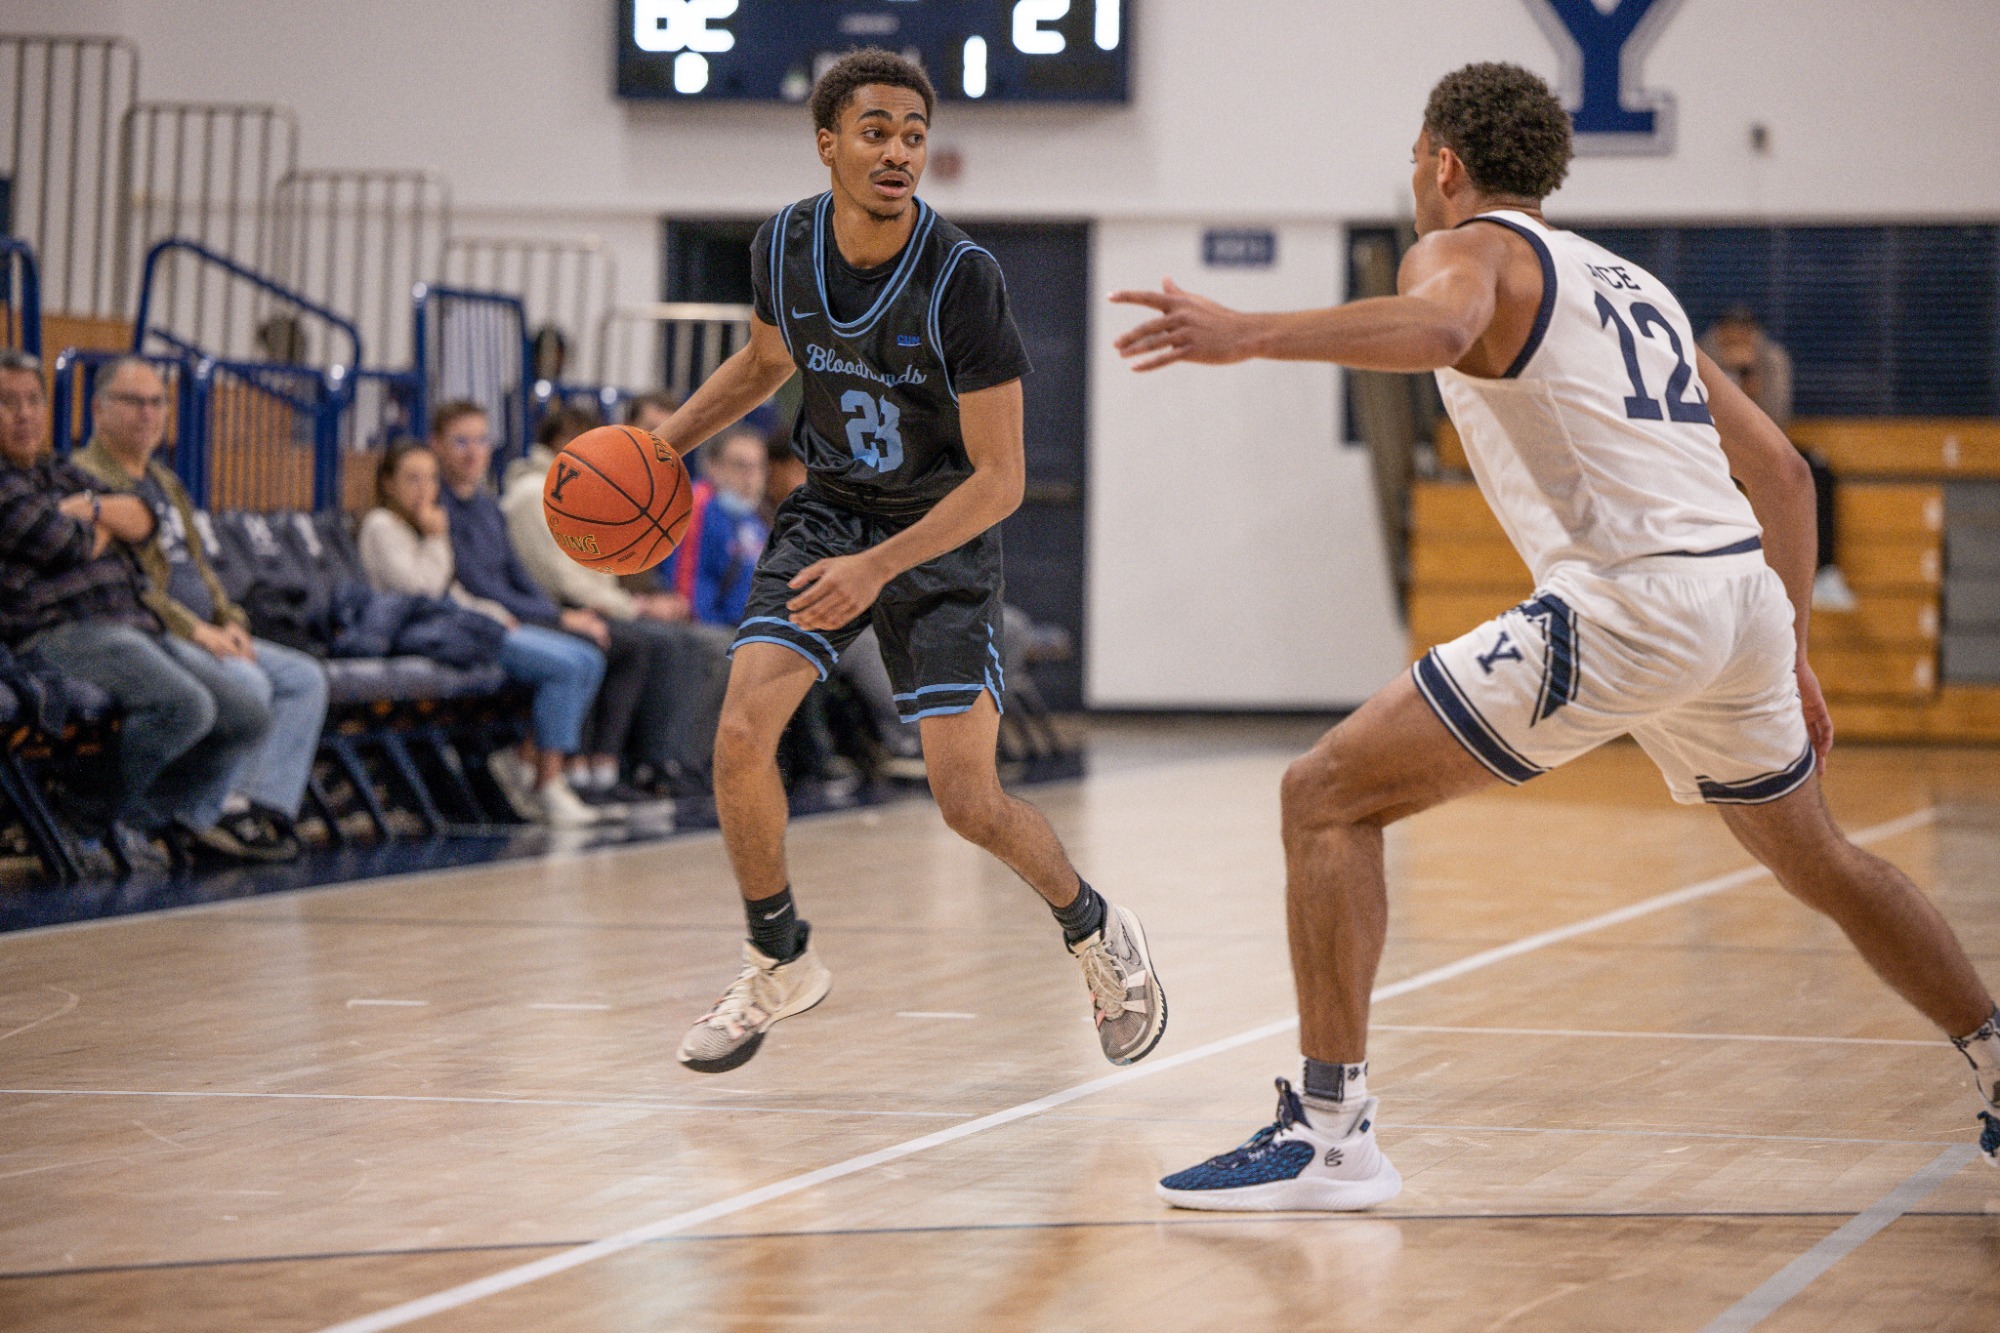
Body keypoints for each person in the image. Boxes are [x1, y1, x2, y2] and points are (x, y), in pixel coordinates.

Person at [1112, 61, 2000, 1208]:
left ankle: (1330, 1135)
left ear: (1442, 162)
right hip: (1733, 598)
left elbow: (1439, 325)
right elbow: (1779, 475)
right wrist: (1784, 650)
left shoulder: (1459, 248)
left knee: (1322, 795)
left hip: (1636, 599)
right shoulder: (1633, 284)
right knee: (1822, 859)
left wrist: (1248, 333)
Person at [653, 48, 1166, 1074]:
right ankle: (777, 958)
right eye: (876, 131)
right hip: (830, 513)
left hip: (938, 535)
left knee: (965, 801)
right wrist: (660, 446)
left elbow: (1002, 479)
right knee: (741, 730)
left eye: (913, 135)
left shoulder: (962, 280)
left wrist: (880, 568)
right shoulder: (784, 244)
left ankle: (1095, 930)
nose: (897, 152)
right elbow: (765, 362)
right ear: (827, 144)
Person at [0, 350, 268, 868]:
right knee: (186, 706)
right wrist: (102, 525)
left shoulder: (55, 468)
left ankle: (136, 820)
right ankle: (78, 817)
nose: (24, 414)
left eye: (33, 400)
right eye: (8, 403)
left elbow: (143, 518)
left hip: (134, 623)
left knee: (247, 714)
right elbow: (63, 543)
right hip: (59, 632)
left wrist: (93, 511)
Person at [73, 356, 329, 861]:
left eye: (157, 402)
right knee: (248, 685)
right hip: (154, 629)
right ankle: (207, 816)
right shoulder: (86, 480)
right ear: (98, 409)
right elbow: (128, 585)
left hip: (208, 629)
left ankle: (257, 810)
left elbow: (200, 568)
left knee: (305, 677)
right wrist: (198, 632)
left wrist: (230, 620)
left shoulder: (166, 483)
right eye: (134, 402)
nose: (148, 413)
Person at [357, 438, 606, 827]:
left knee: (588, 656)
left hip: (464, 624)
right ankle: (548, 783)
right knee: (567, 668)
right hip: (428, 633)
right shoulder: (382, 525)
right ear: (387, 483)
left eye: (430, 479)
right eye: (412, 479)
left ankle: (524, 760)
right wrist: (438, 537)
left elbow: (456, 592)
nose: (424, 490)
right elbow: (421, 591)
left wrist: (495, 613)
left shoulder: (422, 523)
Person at [499, 405, 730, 802]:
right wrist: (636, 606)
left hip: (593, 605)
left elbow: (603, 569)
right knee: (634, 643)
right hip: (554, 610)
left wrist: (641, 602)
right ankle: (597, 766)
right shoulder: (538, 493)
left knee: (680, 642)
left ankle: (642, 763)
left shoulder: (593, 487)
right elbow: (564, 580)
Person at [1699, 307, 1857, 612]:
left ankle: (1825, 570)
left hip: (1756, 445)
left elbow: (1776, 423)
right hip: (1710, 445)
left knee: (1817, 471)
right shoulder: (1699, 358)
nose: (1738, 339)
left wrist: (1749, 383)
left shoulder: (1771, 360)